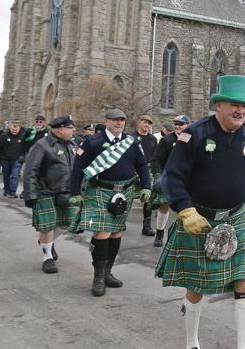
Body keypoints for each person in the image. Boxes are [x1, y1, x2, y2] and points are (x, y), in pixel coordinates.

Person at [156, 75, 245, 349]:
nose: (240, 110)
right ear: (217, 105)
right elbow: (171, 177)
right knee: (197, 286)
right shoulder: (193, 135)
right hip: (200, 219)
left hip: (233, 218)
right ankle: (192, 347)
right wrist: (184, 208)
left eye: (244, 105)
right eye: (234, 104)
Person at [70, 108, 152, 297]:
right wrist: (75, 191)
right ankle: (98, 276)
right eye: (115, 120)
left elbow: (141, 165)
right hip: (100, 190)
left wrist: (146, 186)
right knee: (103, 232)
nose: (119, 123)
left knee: (115, 232)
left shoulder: (131, 142)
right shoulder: (92, 142)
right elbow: (78, 167)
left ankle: (107, 272)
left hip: (125, 192)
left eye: (122, 120)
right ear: (106, 121)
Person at [21, 115, 78, 274]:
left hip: (66, 190)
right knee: (47, 226)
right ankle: (47, 258)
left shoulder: (73, 144)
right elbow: (30, 171)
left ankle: (47, 242)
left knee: (68, 222)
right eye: (70, 127)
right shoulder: (41, 145)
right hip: (45, 191)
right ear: (60, 129)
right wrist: (30, 194)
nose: (73, 130)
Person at [148, 114, 190, 249]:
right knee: (164, 206)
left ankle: (180, 237)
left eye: (181, 124)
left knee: (185, 208)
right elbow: (156, 159)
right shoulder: (167, 140)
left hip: (186, 180)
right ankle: (159, 234)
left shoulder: (192, 140)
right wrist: (158, 176)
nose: (178, 126)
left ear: (188, 125)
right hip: (168, 178)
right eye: (176, 124)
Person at [132, 116, 160, 236]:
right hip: (132, 171)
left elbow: (155, 157)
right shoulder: (131, 138)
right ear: (139, 123)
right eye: (144, 122)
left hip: (147, 172)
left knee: (148, 199)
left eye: (149, 123)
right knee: (126, 198)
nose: (146, 125)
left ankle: (146, 226)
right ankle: (119, 223)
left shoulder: (153, 139)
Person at [0, 120, 28, 197]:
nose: (14, 131)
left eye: (16, 130)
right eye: (12, 130)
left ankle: (12, 192)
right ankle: (6, 189)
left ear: (19, 128)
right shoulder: (4, 136)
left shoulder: (23, 136)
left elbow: (26, 147)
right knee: (6, 176)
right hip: (5, 159)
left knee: (14, 175)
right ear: (10, 128)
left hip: (17, 160)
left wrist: (23, 156)